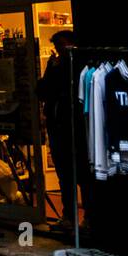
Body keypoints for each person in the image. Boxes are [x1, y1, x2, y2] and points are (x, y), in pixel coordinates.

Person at [38, 29, 78, 232]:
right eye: (56, 46)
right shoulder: (54, 66)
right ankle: (69, 215)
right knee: (64, 173)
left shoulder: (77, 65)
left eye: (61, 45)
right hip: (57, 124)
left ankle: (85, 216)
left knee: (81, 173)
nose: (58, 50)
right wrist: (50, 71)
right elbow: (43, 91)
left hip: (76, 126)